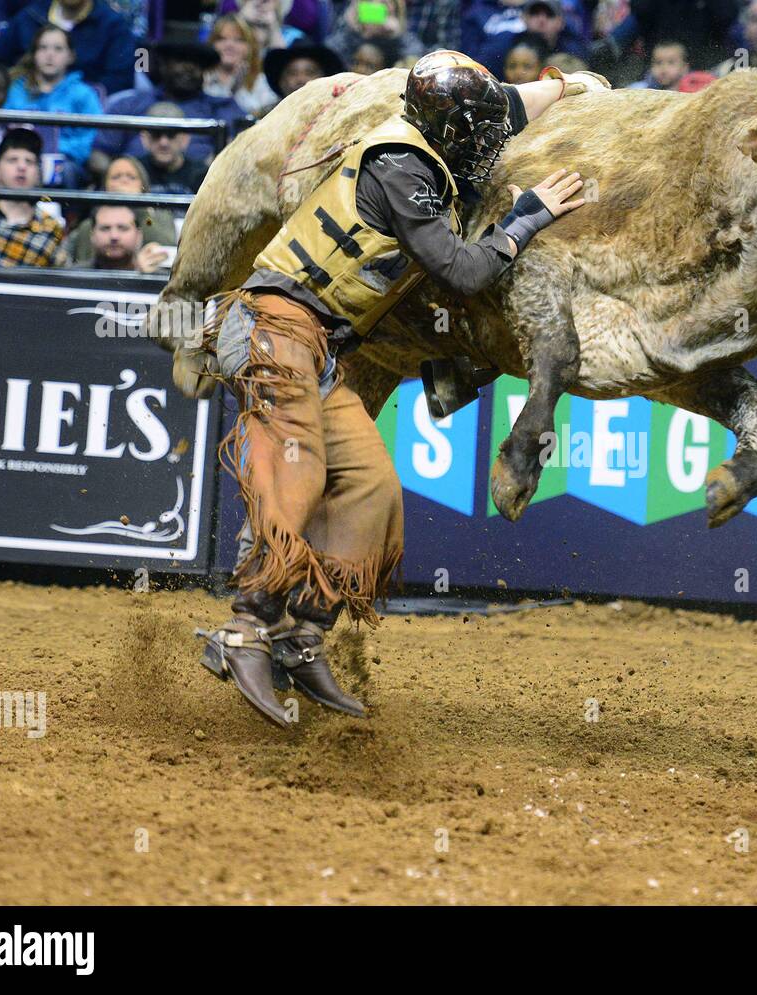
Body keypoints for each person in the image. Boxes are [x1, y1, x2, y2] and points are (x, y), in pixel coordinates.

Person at [178, 52, 595, 728]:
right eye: (480, 130)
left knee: (372, 487)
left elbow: (510, 106)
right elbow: (462, 271)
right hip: (271, 328)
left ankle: (302, 631)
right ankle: (245, 627)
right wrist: (526, 217)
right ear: (454, 129)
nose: (492, 139)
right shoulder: (401, 166)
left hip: (313, 348)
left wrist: (572, 86)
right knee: (297, 472)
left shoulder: (437, 131)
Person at [93, 42, 245, 172]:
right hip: (133, 193)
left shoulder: (223, 108)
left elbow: (242, 151)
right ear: (163, 65)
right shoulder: (129, 105)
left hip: (199, 193)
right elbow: (98, 154)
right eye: (180, 60)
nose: (189, 68)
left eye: (197, 63)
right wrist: (118, 177)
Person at [3, 26, 102, 189]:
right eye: (43, 48)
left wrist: (53, 149)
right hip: (22, 159)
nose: (50, 54)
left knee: (67, 170)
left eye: (58, 49)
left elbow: (91, 138)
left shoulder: (83, 93)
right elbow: (6, 129)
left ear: (70, 56)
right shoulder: (16, 90)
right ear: (34, 54)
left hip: (66, 163)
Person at [0, 128, 68, 267]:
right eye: (12, 160)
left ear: (38, 174)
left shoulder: (51, 229)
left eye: (29, 161)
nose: (22, 167)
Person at [0, 0, 137, 95]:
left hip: (86, 111)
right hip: (28, 101)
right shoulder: (30, 16)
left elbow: (120, 79)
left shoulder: (112, 25)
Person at [65, 154, 178, 265]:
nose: (124, 181)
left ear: (143, 185)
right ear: (105, 187)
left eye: (131, 177)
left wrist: (141, 206)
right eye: (116, 177)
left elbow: (166, 252)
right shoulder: (90, 225)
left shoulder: (159, 216)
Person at [205, 14, 278, 118]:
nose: (229, 45)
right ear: (212, 43)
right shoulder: (201, 79)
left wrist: (239, 92)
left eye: (238, 40)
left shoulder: (261, 82)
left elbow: (266, 118)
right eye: (222, 39)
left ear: (250, 47)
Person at [137, 103, 209, 196]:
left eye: (171, 134)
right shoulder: (133, 172)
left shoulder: (202, 175)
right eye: (156, 134)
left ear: (185, 138)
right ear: (145, 138)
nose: (163, 143)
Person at [86, 203, 169, 272]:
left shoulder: (161, 279)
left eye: (123, 228)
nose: (114, 236)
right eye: (105, 228)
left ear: (138, 235)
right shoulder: (75, 276)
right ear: (92, 235)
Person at [262, 41, 344, 98]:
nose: (301, 79)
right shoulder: (263, 120)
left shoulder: (341, 118)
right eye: (292, 73)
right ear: (281, 82)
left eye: (310, 73)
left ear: (325, 78)